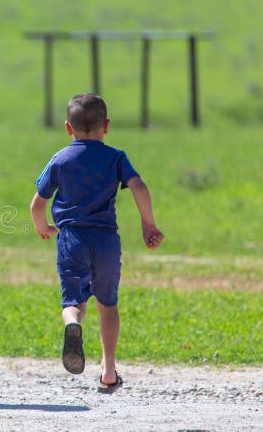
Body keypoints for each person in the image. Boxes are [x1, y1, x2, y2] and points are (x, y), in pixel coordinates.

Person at [30, 93, 163, 394]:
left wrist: (45, 228)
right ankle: (109, 370)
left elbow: (37, 204)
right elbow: (139, 186)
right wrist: (148, 224)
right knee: (108, 304)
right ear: (106, 125)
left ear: (68, 127)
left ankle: (71, 324)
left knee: (73, 301)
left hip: (71, 238)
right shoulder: (116, 157)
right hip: (105, 241)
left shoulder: (60, 159)